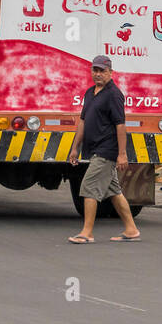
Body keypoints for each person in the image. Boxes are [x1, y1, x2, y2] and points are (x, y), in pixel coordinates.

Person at [67, 55, 140, 243]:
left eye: (102, 71)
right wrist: (75, 148)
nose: (98, 74)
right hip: (93, 148)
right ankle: (131, 230)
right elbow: (82, 121)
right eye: (95, 70)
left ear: (110, 73)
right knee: (113, 191)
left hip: (107, 150)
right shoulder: (90, 93)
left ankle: (86, 233)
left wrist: (122, 154)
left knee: (89, 187)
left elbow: (120, 125)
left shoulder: (114, 95)